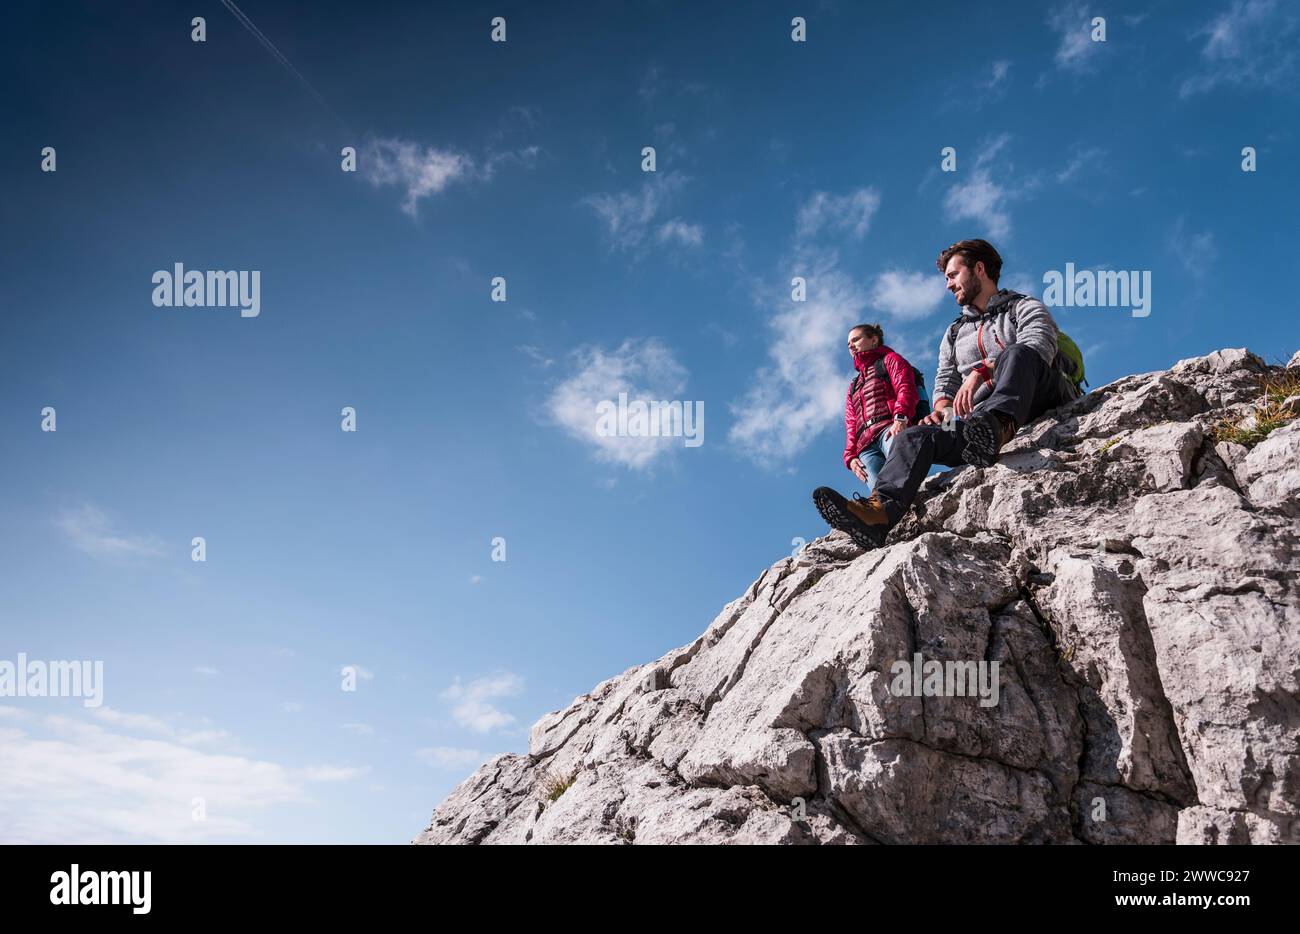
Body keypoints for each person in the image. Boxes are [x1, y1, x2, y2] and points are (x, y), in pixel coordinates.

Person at [813, 238, 1082, 550]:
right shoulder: (955, 333)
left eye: (953, 275)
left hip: (1036, 394)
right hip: (979, 423)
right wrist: (941, 408)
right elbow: (945, 381)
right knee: (913, 436)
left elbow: (1039, 346)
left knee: (1017, 353)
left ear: (979, 270)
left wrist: (984, 371)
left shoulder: (1023, 306)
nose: (948, 285)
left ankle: (998, 426)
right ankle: (879, 516)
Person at [842, 323, 920, 492]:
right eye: (849, 344)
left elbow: (905, 388)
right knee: (879, 495)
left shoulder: (890, 359)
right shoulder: (853, 385)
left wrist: (901, 418)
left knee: (905, 481)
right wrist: (850, 456)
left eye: (856, 339)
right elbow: (851, 422)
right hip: (865, 448)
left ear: (874, 339)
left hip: (890, 430)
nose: (851, 346)